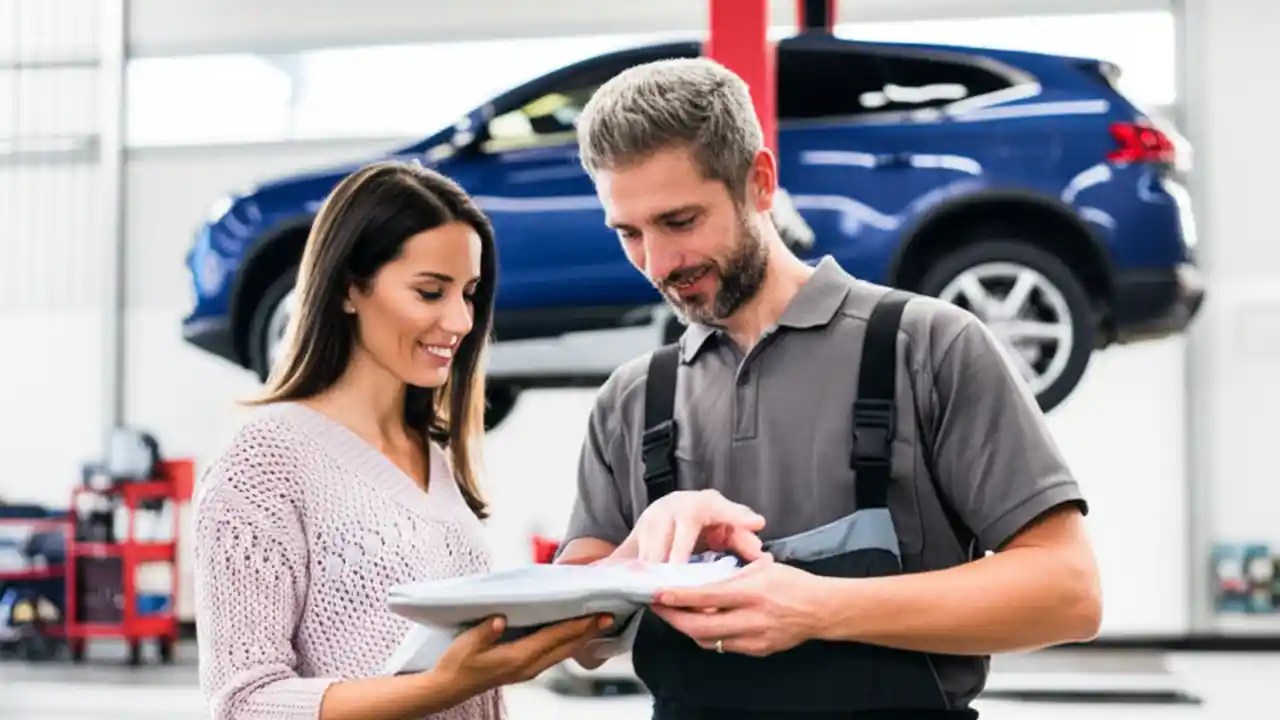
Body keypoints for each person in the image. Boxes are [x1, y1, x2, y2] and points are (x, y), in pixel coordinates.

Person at [555, 58, 1103, 718]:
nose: (659, 264)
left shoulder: (930, 347)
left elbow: (1068, 592)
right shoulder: (634, 398)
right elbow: (576, 639)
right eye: (629, 233)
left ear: (759, 182)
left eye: (680, 221)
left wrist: (820, 608)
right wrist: (639, 550)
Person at [193, 161, 611, 720]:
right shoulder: (265, 462)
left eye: (469, 293)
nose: (461, 320)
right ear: (348, 289)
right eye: (430, 292)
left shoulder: (433, 455)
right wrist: (443, 685)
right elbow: (244, 702)